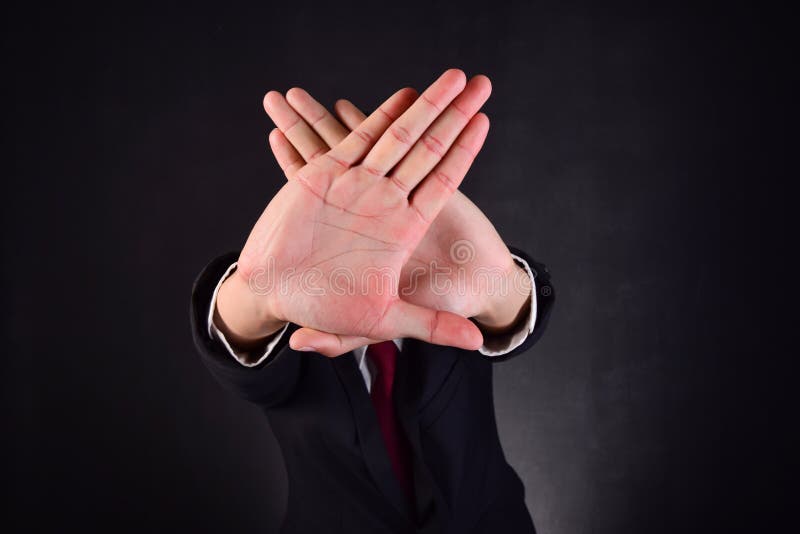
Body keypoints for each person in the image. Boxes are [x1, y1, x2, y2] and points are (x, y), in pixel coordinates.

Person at [190, 69, 554, 533]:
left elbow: (518, 316)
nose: (377, 239)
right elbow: (241, 359)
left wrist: (495, 285)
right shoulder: (295, 327)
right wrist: (255, 294)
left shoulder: (448, 286)